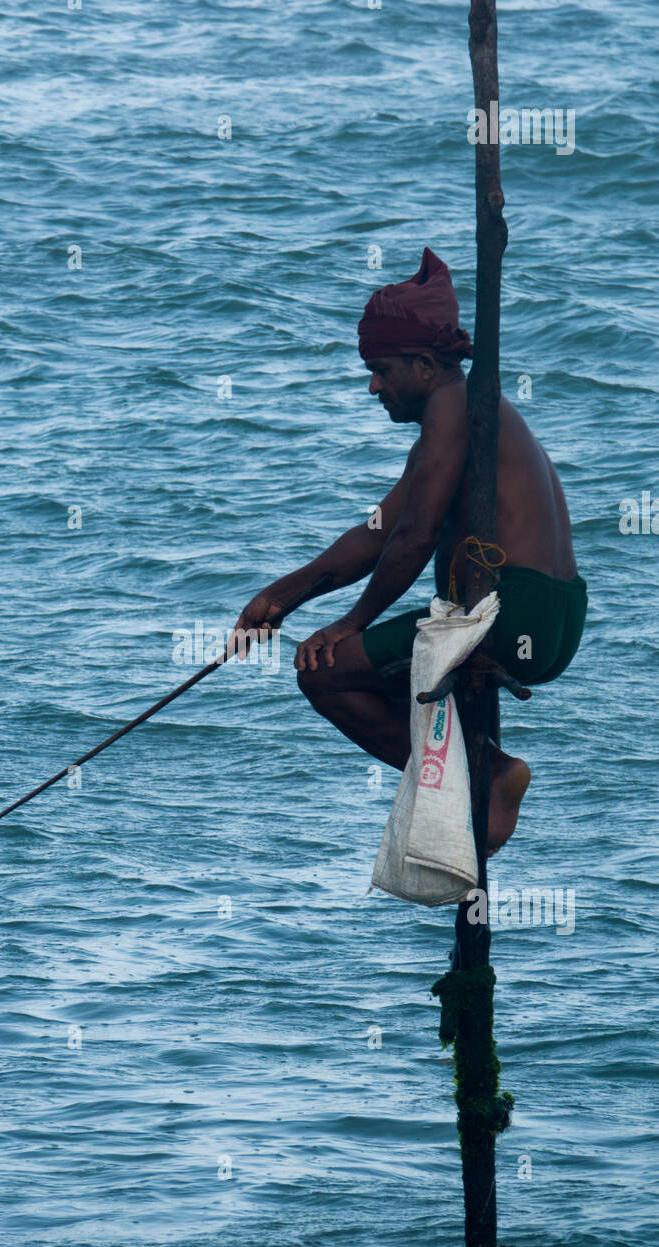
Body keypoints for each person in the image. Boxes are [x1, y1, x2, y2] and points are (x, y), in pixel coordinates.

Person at [231, 248, 587, 854]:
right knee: (378, 670)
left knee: (325, 675)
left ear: (425, 365)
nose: (373, 387)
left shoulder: (453, 406)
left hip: (509, 614)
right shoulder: (462, 419)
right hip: (557, 620)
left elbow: (416, 536)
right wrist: (280, 597)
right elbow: (376, 534)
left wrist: (349, 625)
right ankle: (484, 770)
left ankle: (486, 776)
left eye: (381, 369)